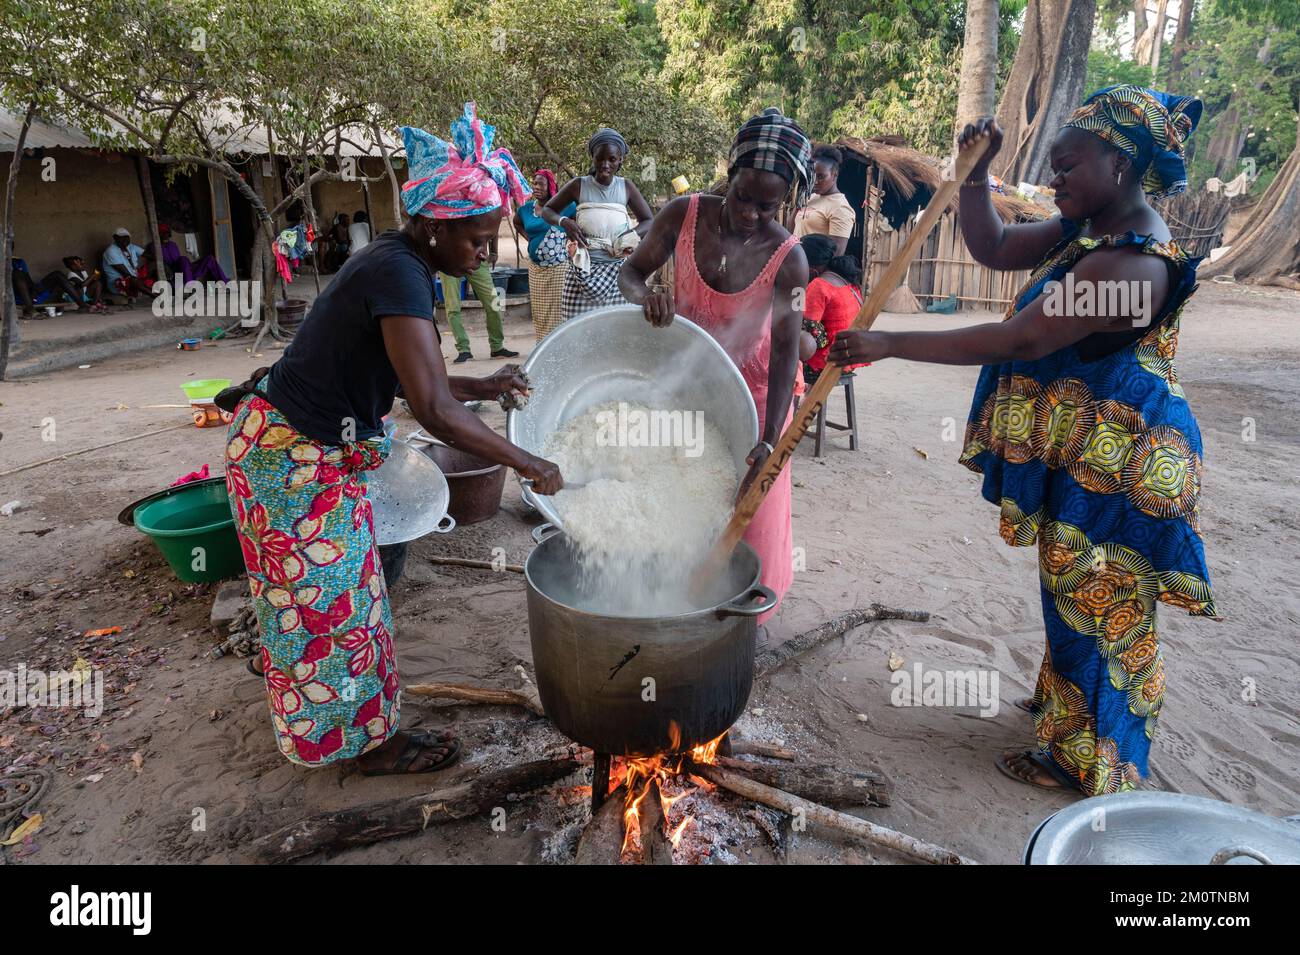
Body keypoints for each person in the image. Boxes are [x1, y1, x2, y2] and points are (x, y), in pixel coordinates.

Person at [829, 86, 1215, 795]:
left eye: (1069, 166)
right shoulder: (1087, 229)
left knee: (1097, 600)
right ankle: (1068, 714)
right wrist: (974, 172)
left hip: (1124, 460)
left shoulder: (1138, 263)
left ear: (1122, 164)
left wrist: (887, 341)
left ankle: (1084, 760)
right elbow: (995, 244)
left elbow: (1025, 338)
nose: (1057, 179)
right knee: (1073, 588)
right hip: (1088, 448)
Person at [223, 103, 563, 775]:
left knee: (340, 600)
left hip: (302, 453)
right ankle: (361, 749)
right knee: (332, 613)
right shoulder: (398, 271)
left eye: (493, 239)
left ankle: (345, 720)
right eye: (476, 239)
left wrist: (486, 387)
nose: (486, 254)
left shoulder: (403, 262)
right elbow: (431, 408)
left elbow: (419, 381)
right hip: (288, 460)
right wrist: (527, 461)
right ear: (435, 225)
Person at [620, 106, 812, 626]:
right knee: (682, 498)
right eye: (743, 196)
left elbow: (784, 353)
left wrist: (769, 443)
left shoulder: (789, 259)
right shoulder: (682, 215)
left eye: (767, 206)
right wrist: (647, 297)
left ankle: (741, 624)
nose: (750, 213)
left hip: (755, 400)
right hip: (686, 391)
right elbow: (631, 273)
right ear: (728, 176)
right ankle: (676, 605)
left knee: (750, 514)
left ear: (786, 200)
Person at [544, 127, 654, 321]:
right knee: (577, 328)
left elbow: (649, 221)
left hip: (617, 272)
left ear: (620, 160)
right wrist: (565, 222)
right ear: (592, 158)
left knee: (616, 329)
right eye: (599, 158)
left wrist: (629, 236)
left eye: (611, 159)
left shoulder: (625, 187)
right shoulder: (579, 185)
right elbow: (548, 211)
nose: (605, 165)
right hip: (583, 271)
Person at [437, 230, 517, 363]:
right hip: (449, 261)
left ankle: (497, 347)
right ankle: (464, 350)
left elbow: (493, 224)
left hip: (476, 259)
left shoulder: (477, 208)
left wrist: (494, 252)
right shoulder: (443, 209)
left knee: (494, 303)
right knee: (452, 307)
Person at [513, 168, 573, 340]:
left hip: (558, 268)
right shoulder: (525, 210)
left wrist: (568, 238)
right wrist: (531, 239)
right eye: (534, 183)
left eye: (541, 183)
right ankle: (542, 345)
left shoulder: (566, 208)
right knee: (539, 311)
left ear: (550, 186)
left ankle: (557, 346)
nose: (536, 187)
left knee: (557, 310)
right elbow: (517, 223)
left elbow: (578, 220)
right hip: (536, 270)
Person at [799, 233, 865, 381]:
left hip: (828, 359)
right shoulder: (847, 279)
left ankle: (797, 398)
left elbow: (811, 332)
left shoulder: (819, 285)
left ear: (810, 266)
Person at [794, 145, 856, 255]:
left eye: (821, 176)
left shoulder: (840, 207)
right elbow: (792, 233)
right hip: (795, 264)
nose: (815, 181)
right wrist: (799, 202)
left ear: (834, 174)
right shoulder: (810, 198)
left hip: (813, 270)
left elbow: (836, 253)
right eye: (813, 176)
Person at [148, 223, 230, 284]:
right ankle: (190, 287)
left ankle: (224, 283)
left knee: (209, 258)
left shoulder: (173, 244)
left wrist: (187, 266)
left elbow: (179, 260)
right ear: (158, 235)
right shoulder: (155, 246)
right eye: (163, 234)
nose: (165, 236)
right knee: (183, 260)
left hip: (185, 269)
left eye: (166, 233)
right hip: (174, 272)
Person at [10, 256, 90, 318]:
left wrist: (34, 289)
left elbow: (27, 279)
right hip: (18, 297)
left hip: (32, 293)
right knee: (17, 273)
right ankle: (30, 311)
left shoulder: (19, 261)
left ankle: (83, 305)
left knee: (57, 274)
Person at [101, 227, 150, 304]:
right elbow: (126, 274)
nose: (125, 240)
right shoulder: (111, 251)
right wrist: (140, 281)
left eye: (126, 238)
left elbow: (148, 255)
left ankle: (140, 292)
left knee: (152, 267)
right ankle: (156, 296)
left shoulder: (131, 247)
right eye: (121, 238)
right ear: (115, 238)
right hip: (118, 282)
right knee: (133, 280)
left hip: (133, 276)